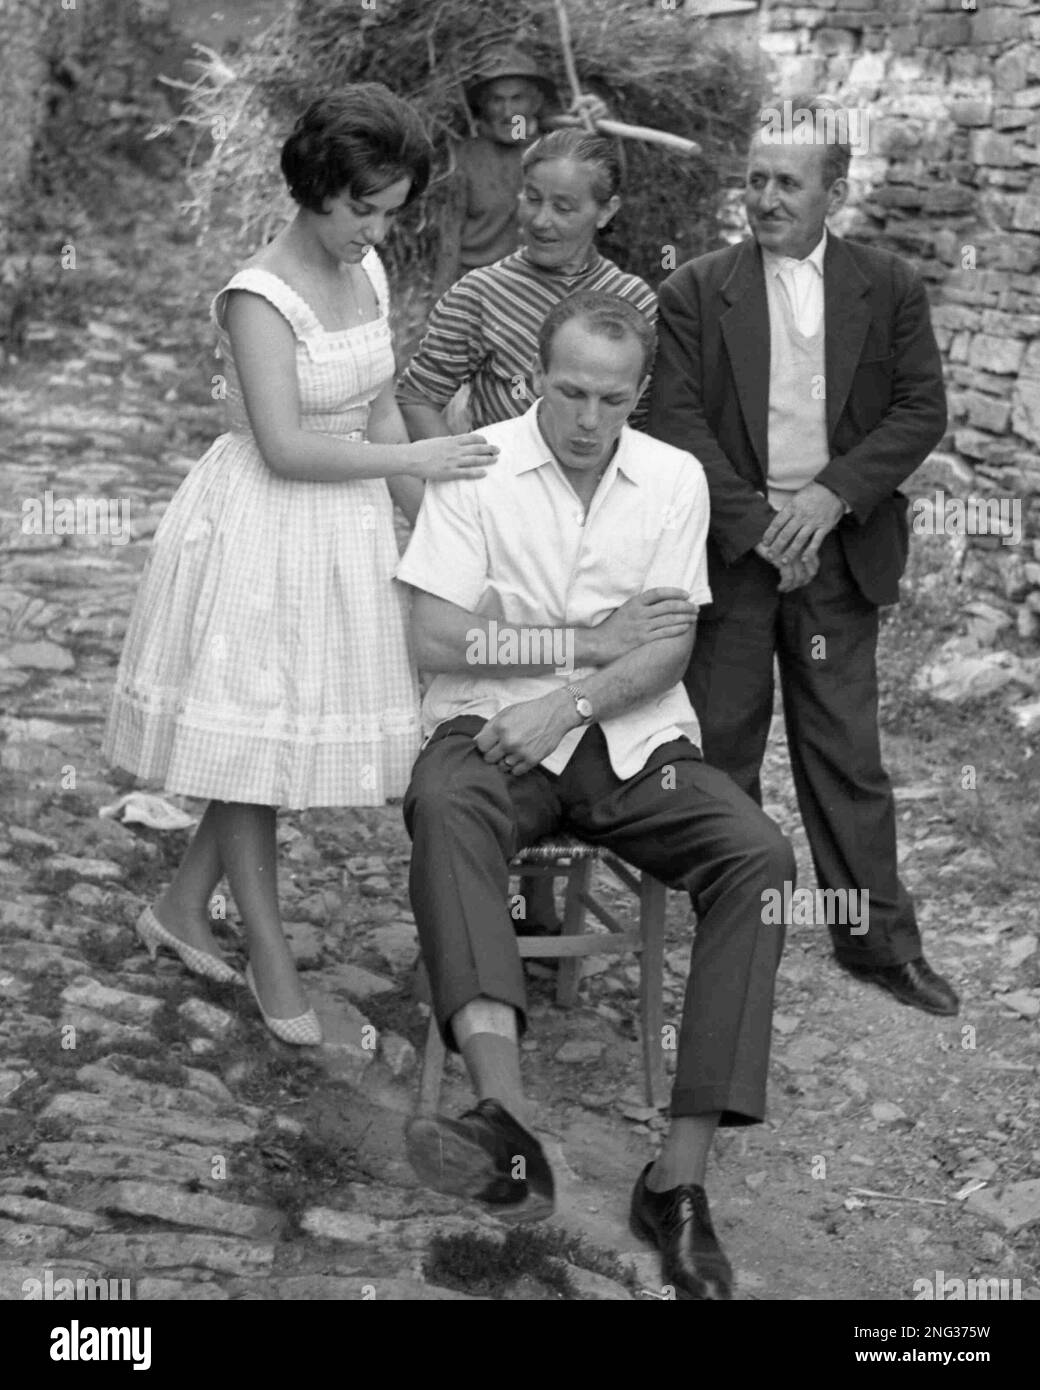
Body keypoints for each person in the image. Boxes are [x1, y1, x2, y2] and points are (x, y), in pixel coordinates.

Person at [395, 291, 796, 1300]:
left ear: (638, 394)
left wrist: (570, 696)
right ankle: (505, 1122)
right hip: (489, 724)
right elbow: (437, 639)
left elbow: (664, 648)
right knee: (446, 808)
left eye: (610, 399)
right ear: (537, 373)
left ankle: (677, 1182)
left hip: (625, 739)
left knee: (758, 853)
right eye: (568, 390)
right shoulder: (476, 465)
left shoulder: (671, 479)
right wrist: (578, 643)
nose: (585, 417)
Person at [102, 87, 498, 1045]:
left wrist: (438, 536)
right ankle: (270, 952)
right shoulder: (258, 295)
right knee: (251, 740)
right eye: (360, 207)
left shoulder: (368, 277)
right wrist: (415, 463)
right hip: (262, 524)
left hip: (343, 527)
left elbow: (375, 412)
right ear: (314, 186)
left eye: (391, 210)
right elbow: (283, 444)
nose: (374, 229)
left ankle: (184, 907)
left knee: (266, 734)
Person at [647, 93, 958, 1017]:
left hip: (839, 554)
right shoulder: (698, 289)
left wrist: (829, 497)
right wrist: (755, 526)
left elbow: (918, 409)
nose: (766, 198)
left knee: (846, 756)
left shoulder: (889, 285)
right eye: (755, 180)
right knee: (723, 745)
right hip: (736, 557)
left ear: (838, 189)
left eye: (789, 181)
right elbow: (674, 420)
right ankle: (728, 941)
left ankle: (877, 946)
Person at [396, 128, 656, 441]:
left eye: (563, 208)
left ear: (606, 211)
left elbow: (645, 419)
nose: (540, 220)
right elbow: (416, 400)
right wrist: (470, 477)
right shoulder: (481, 294)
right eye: (532, 199)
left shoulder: (635, 300)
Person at [438, 43, 556, 287]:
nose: (508, 111)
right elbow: (449, 241)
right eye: (496, 100)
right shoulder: (465, 158)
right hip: (478, 288)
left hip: (536, 289)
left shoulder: (554, 153)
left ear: (534, 104)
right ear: (483, 105)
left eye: (517, 99)